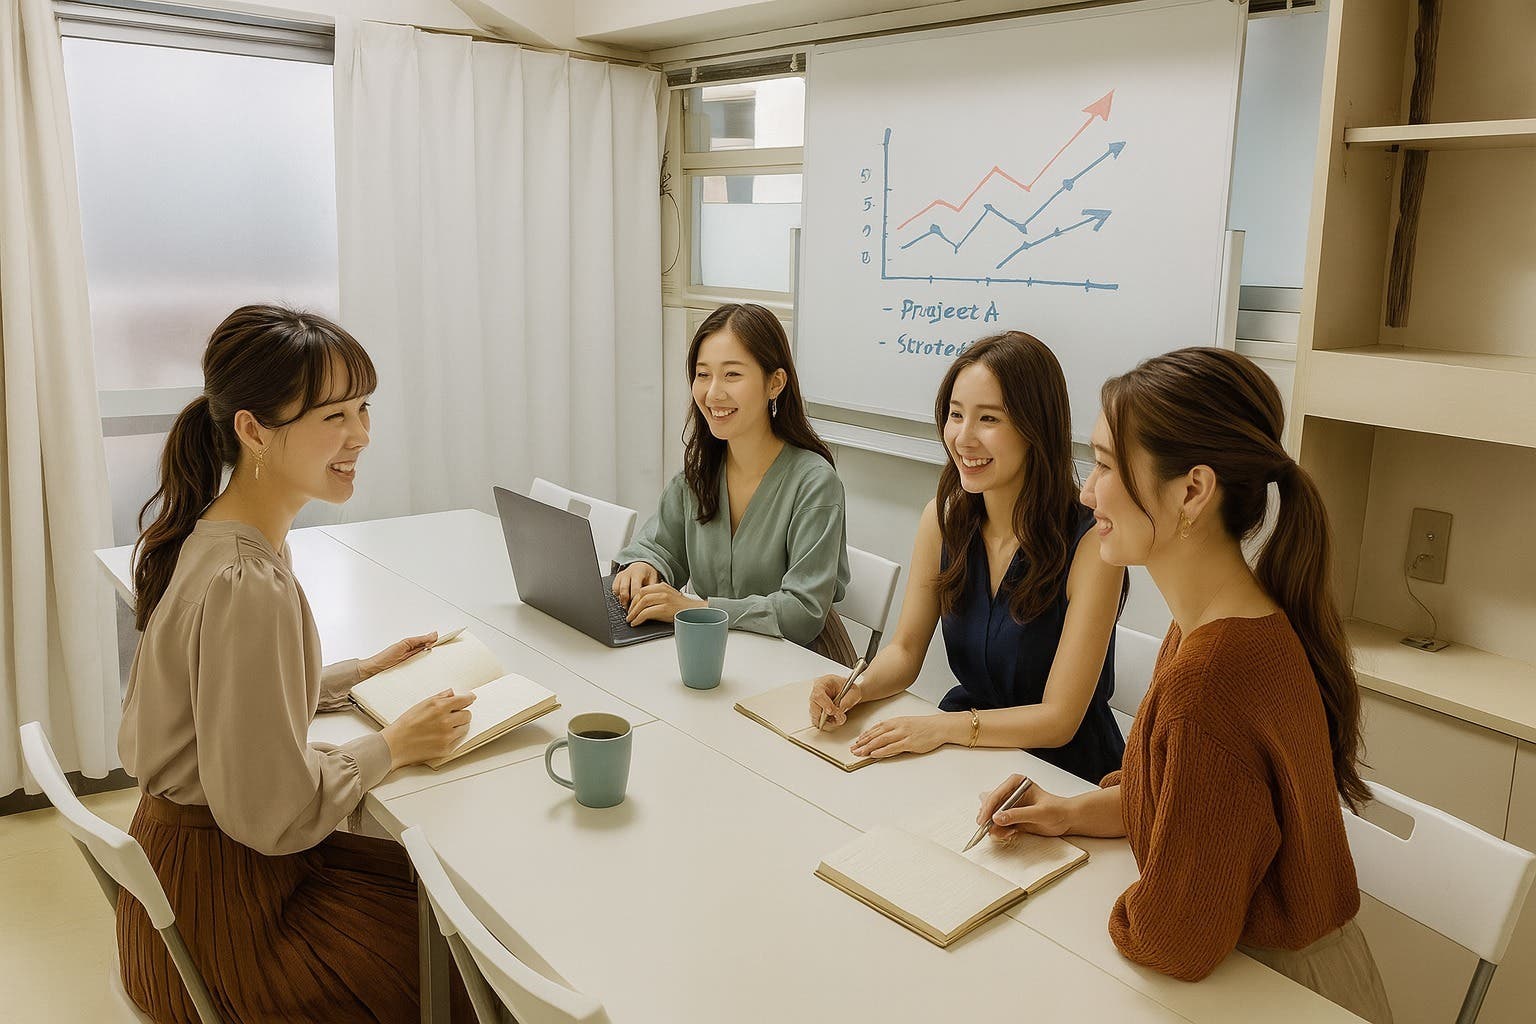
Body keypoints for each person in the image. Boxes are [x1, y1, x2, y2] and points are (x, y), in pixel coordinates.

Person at [976, 347, 1391, 1022]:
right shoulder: (1220, 622)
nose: (1087, 492)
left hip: (1280, 994)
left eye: (1106, 466)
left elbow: (1175, 942)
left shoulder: (1209, 681)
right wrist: (1070, 812)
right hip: (1260, 973)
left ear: (1193, 491)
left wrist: (1080, 919)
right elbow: (1176, 802)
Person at [117, 305, 474, 1023]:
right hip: (229, 922)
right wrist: (393, 745)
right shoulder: (247, 580)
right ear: (253, 430)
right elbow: (273, 812)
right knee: (474, 960)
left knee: (454, 902)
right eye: (334, 415)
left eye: (364, 408)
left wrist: (354, 675)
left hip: (178, 892)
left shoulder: (220, 534)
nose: (361, 435)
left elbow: (223, 702)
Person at [809, 332, 1126, 782]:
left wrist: (942, 728)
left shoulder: (1093, 543)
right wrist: (855, 689)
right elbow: (904, 650)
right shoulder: (943, 519)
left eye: (989, 418)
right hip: (968, 753)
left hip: (1061, 774)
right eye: (956, 415)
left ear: (1036, 428)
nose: (963, 437)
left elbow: (1059, 719)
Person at [613, 303, 857, 665]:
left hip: (799, 662)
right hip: (713, 653)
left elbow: (802, 612)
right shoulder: (698, 475)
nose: (713, 393)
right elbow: (659, 545)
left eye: (732, 375)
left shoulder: (815, 483)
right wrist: (642, 566)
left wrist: (696, 608)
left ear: (775, 383)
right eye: (703, 374)